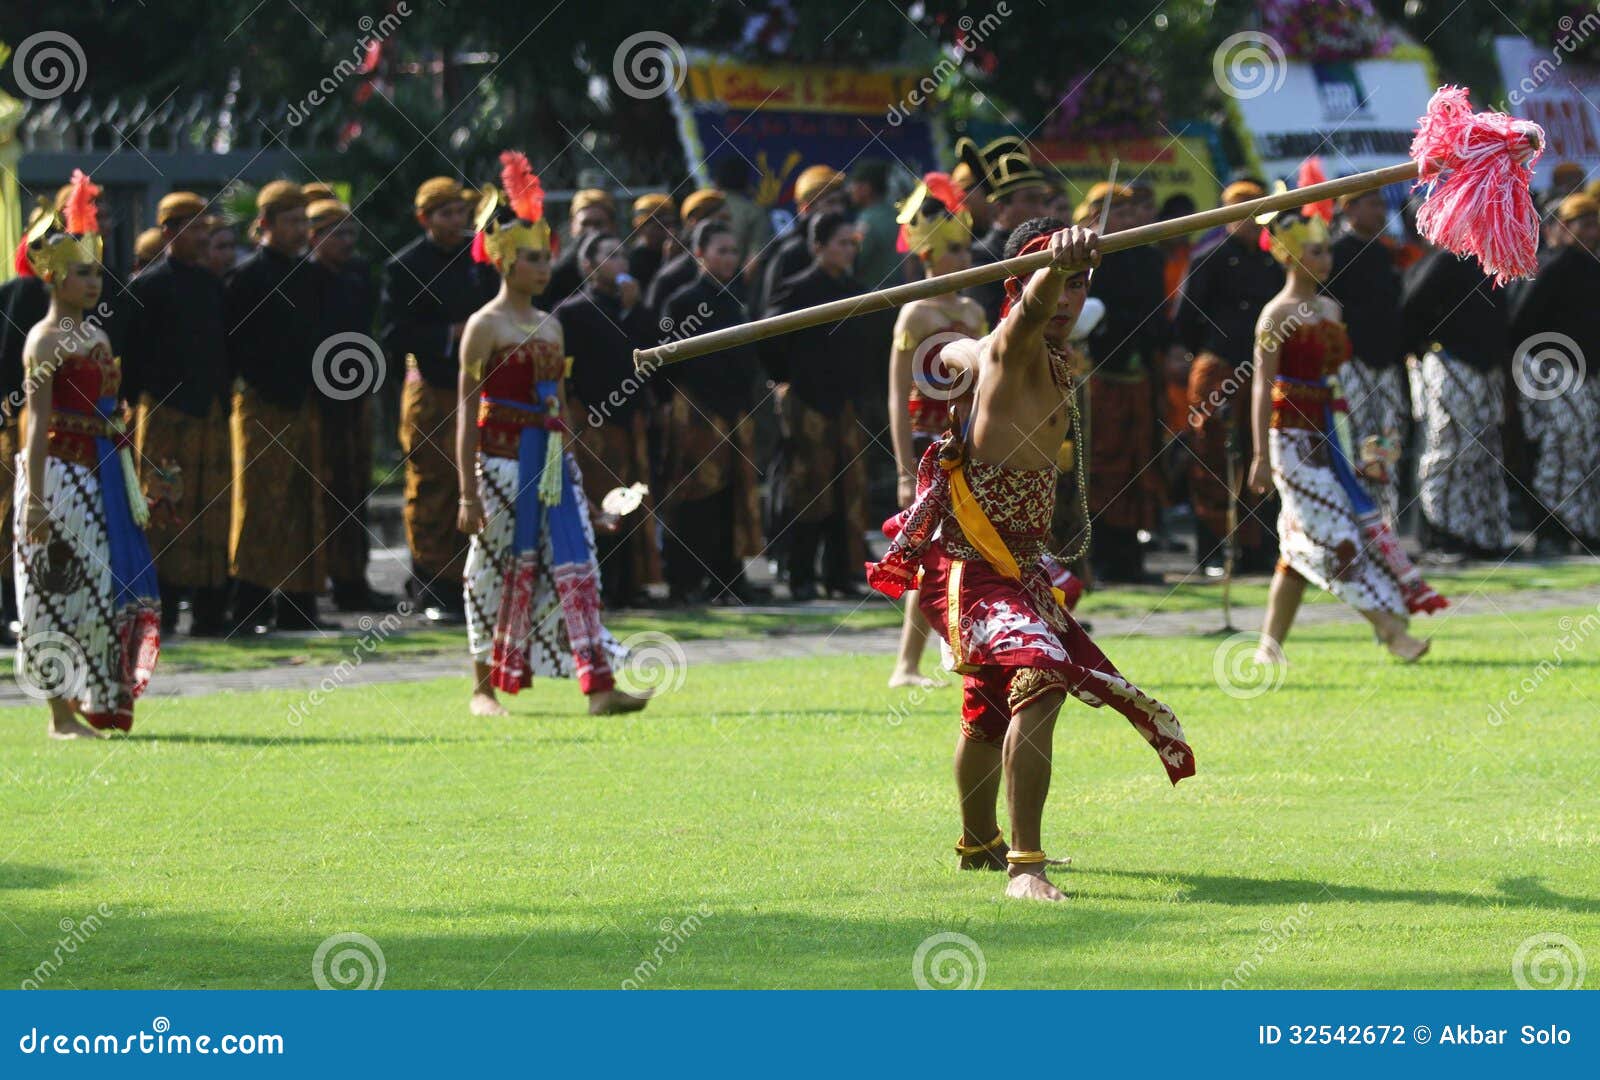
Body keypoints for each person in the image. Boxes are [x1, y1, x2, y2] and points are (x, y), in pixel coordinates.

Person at [866, 218, 1194, 902]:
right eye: (1059, 285)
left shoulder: (1031, 352)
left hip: (1021, 566)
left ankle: (979, 843)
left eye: (1081, 285)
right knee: (1042, 676)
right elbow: (1025, 314)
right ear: (1019, 286)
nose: (1069, 298)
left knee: (989, 708)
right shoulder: (1015, 343)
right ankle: (1025, 867)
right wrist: (1052, 271)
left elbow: (972, 345)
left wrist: (965, 345)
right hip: (972, 567)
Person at [456, 152, 648, 718]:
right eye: (532, 258)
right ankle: (483, 689)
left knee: (577, 567)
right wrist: (467, 491)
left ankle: (599, 688)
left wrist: (581, 491)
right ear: (505, 260)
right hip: (499, 464)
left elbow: (559, 411)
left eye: (547, 257)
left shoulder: (551, 326)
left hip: (550, 468)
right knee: (491, 570)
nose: (544, 267)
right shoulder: (483, 327)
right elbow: (466, 412)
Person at [1247, 209, 1444, 667]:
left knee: (1300, 548)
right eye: (1315, 251)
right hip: (1289, 441)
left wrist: (1356, 442)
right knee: (1338, 537)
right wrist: (1260, 455)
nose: (1325, 259)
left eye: (1326, 251)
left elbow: (1336, 384)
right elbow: (1261, 385)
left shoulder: (1331, 309)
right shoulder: (1275, 314)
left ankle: (1267, 649)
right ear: (1290, 256)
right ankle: (1391, 631)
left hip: (1328, 435)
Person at [14, 170, 161, 736]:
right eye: (82, 272)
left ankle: (90, 699)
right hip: (57, 474)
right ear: (54, 277)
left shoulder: (97, 337)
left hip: (101, 475)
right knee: (53, 590)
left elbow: (110, 413)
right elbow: (37, 421)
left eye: (97, 272)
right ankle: (57, 714)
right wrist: (35, 500)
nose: (94, 282)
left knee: (99, 592)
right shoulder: (44, 341)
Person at [885, 173, 986, 686]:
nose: (965, 259)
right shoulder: (914, 314)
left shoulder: (974, 311)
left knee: (971, 550)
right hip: (930, 448)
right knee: (930, 554)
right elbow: (896, 396)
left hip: (970, 445)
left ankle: (969, 649)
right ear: (928, 254)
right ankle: (907, 664)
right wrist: (905, 471)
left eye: (966, 249)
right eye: (955, 250)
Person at [381, 176, 494, 621]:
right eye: (446, 213)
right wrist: (451, 334)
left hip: (479, 388)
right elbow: (394, 334)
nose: (456, 220)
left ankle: (476, 584)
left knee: (478, 482)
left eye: (461, 212)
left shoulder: (481, 258)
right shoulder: (403, 266)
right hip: (432, 389)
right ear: (424, 219)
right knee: (433, 486)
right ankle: (431, 585)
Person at [120, 191, 232, 636]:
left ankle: (210, 612)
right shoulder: (147, 287)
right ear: (169, 231)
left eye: (206, 227)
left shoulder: (212, 285)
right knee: (163, 510)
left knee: (210, 510)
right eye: (194, 227)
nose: (203, 237)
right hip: (165, 417)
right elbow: (132, 358)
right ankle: (159, 612)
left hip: (209, 415)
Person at [224, 180, 327, 632]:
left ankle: (298, 606)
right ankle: (248, 607)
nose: (301, 230)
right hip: (261, 403)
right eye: (291, 221)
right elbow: (234, 345)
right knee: (259, 503)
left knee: (302, 503)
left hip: (302, 403)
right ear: (265, 223)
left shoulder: (310, 276)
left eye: (304, 221)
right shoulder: (246, 277)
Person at [764, 212, 876, 600]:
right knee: (808, 491)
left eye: (852, 243)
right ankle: (801, 576)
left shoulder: (856, 289)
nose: (849, 250)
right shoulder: (797, 289)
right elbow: (768, 340)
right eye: (841, 243)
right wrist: (786, 380)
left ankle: (840, 574)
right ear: (818, 247)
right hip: (807, 403)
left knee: (847, 490)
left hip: (845, 405)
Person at [1176, 180, 1285, 574]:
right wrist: (1206, 354)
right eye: (1244, 210)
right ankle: (1212, 551)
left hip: (1261, 372)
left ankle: (1257, 550)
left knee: (1259, 451)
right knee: (1213, 457)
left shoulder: (1272, 261)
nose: (1253, 219)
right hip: (1220, 368)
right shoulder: (1208, 258)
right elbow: (1186, 317)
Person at [655, 220, 763, 604]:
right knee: (694, 497)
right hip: (697, 413)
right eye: (722, 251)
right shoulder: (681, 301)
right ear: (700, 254)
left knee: (733, 494)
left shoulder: (739, 299)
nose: (730, 259)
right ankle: (685, 580)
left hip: (734, 412)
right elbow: (665, 363)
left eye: (734, 251)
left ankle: (728, 578)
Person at [556, 232, 663, 608]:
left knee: (632, 501)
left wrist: (634, 311)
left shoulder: (633, 309)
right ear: (588, 265)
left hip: (630, 420)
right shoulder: (572, 312)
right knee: (600, 503)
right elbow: (562, 372)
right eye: (610, 256)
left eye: (623, 256)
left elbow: (653, 355)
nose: (621, 263)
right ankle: (599, 586)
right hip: (593, 423)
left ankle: (630, 585)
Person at [1077, 183, 1169, 583]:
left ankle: (1132, 560)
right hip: (1101, 377)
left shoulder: (1149, 257)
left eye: (1132, 213)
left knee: (1138, 464)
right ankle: (1102, 559)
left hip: (1139, 377)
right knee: (1102, 467)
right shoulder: (1089, 261)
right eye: (1118, 212)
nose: (1128, 220)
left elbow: (1158, 315)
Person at [1401, 242, 1514, 559]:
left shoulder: (1493, 262)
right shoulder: (1445, 262)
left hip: (1486, 371)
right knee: (1447, 450)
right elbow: (1412, 309)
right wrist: (1423, 350)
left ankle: (1480, 535)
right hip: (1450, 364)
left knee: (1483, 453)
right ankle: (1440, 533)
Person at [308, 196, 390, 609]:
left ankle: (353, 580)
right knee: (324, 489)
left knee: (355, 489)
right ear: (314, 237)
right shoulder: (305, 279)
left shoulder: (358, 274)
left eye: (350, 233)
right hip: (319, 401)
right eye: (336, 234)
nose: (346, 241)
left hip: (356, 396)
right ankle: (320, 581)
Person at [1507, 192, 1600, 554]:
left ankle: (1582, 526)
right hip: (1554, 374)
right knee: (1559, 449)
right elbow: (1519, 325)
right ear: (1562, 228)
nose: (1592, 232)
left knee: (1584, 451)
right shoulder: (1551, 267)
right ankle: (1552, 526)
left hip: (1586, 376)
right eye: (1585, 224)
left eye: (1595, 224)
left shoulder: (1591, 266)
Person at [1324, 189, 1407, 525]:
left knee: (1387, 442)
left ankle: (1384, 526)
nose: (1380, 212)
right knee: (1353, 442)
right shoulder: (1334, 253)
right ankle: (1356, 525)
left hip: (1385, 365)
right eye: (1373, 205)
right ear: (1349, 208)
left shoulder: (1383, 253)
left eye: (1382, 205)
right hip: (1349, 365)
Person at [956, 136, 1051, 326]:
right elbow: (992, 324)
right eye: (1031, 200)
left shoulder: (1049, 247)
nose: (1042, 211)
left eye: (1043, 201)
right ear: (1000, 208)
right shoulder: (981, 257)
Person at [752, 165, 849, 317]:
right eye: (831, 202)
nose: (839, 210)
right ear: (806, 208)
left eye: (841, 203)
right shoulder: (790, 252)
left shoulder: (844, 247)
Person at [644, 188, 728, 311]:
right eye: (722, 219)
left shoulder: (732, 272)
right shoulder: (672, 276)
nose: (728, 226)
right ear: (695, 221)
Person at [544, 188, 616, 307]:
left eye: (598, 224)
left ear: (612, 226)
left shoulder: (623, 267)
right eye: (585, 224)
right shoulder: (557, 273)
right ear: (573, 227)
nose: (591, 230)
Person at [711, 154, 773, 271]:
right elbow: (756, 257)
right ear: (746, 183)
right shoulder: (755, 212)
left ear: (717, 182)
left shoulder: (706, 207)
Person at [851, 159, 903, 288]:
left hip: (874, 294)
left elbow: (855, 259)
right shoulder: (898, 214)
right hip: (901, 290)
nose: (851, 189)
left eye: (855, 184)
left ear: (866, 188)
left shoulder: (866, 220)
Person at [626, 193, 677, 292]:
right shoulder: (634, 259)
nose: (670, 232)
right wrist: (668, 260)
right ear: (641, 228)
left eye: (671, 225)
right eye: (661, 226)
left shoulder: (679, 250)